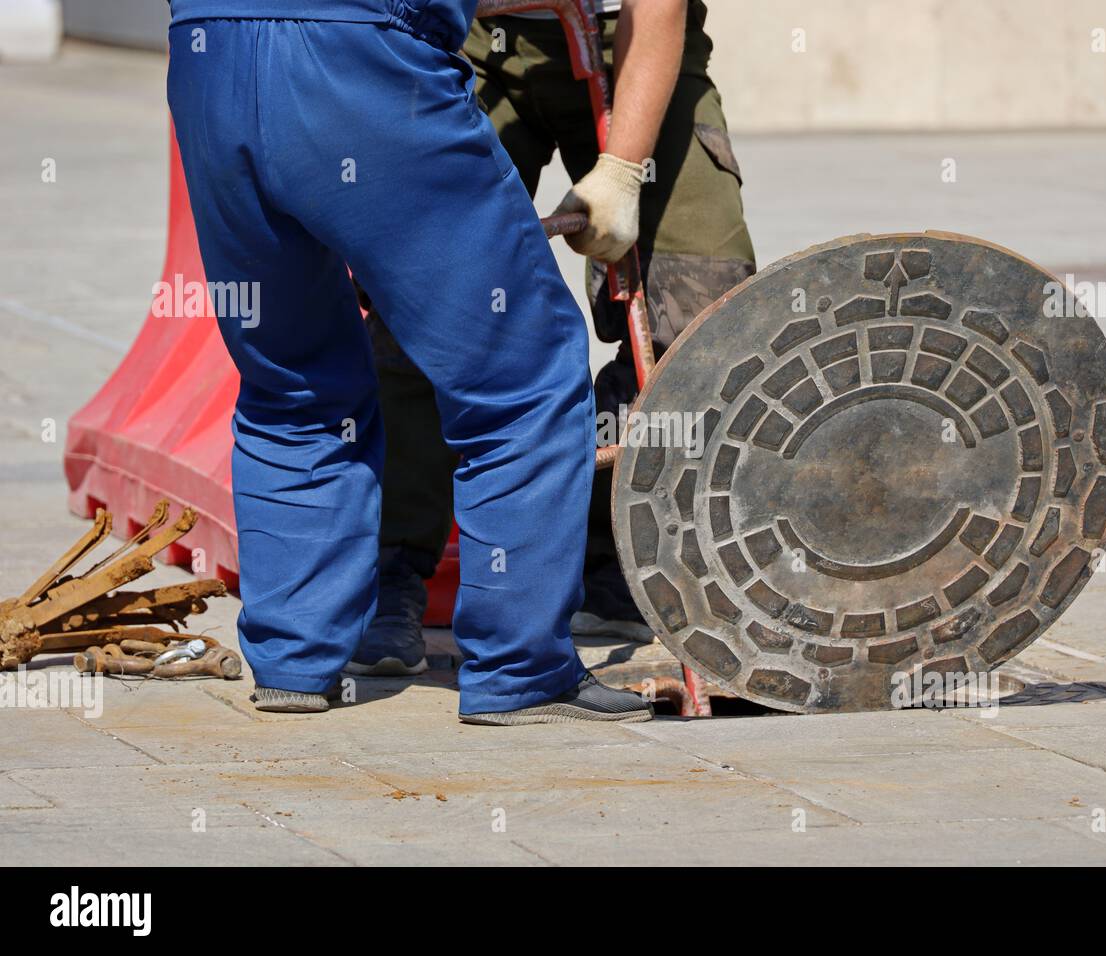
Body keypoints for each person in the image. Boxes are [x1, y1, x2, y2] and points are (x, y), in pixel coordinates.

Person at [165, 0, 652, 724]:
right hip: (359, 57)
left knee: (292, 377)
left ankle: (294, 661)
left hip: (211, 57)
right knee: (523, 368)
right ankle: (521, 669)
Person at [353, 0, 756, 674]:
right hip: (473, 44)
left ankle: (625, 566)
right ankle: (387, 578)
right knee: (427, 302)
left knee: (701, 314)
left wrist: (625, 170)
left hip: (629, 45)